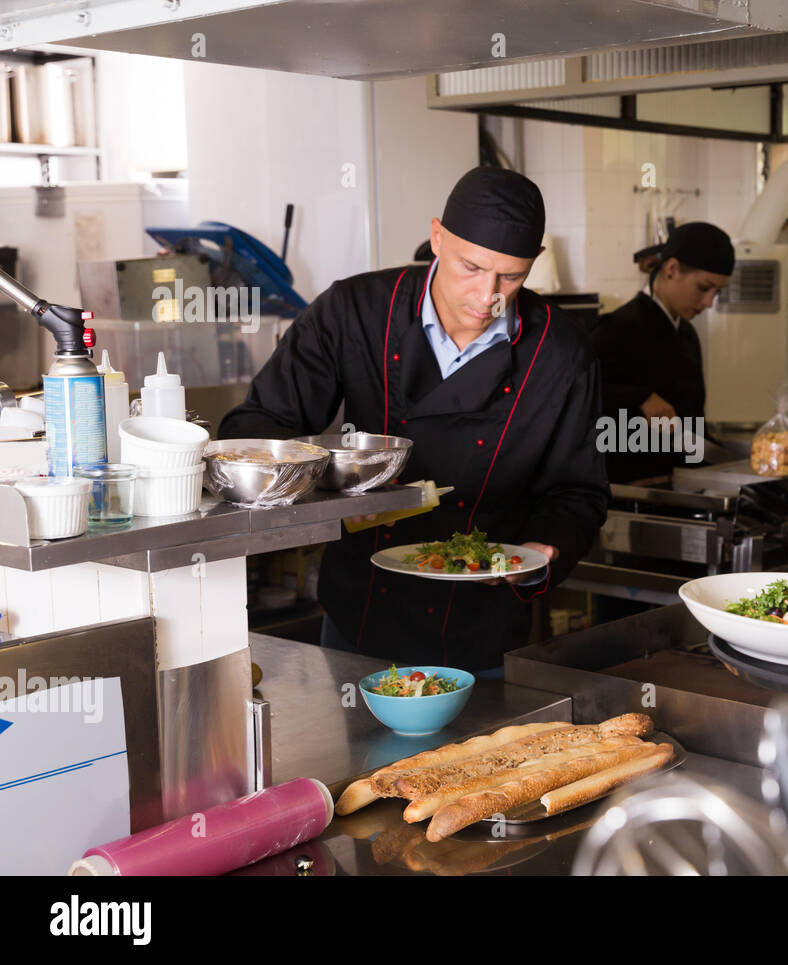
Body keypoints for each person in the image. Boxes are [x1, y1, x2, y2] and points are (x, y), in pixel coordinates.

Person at [220, 167, 609, 671]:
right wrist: (326, 488)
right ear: (437, 237)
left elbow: (579, 490)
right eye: (470, 267)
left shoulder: (563, 351)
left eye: (510, 276)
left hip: (486, 623)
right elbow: (258, 426)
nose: (487, 295)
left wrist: (540, 551)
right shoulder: (353, 311)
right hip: (361, 613)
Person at [592, 222, 734, 484]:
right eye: (704, 288)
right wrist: (639, 397)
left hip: (681, 484)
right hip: (630, 491)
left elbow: (688, 424)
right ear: (671, 269)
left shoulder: (687, 334)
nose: (709, 303)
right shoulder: (619, 327)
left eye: (717, 292)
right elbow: (577, 395)